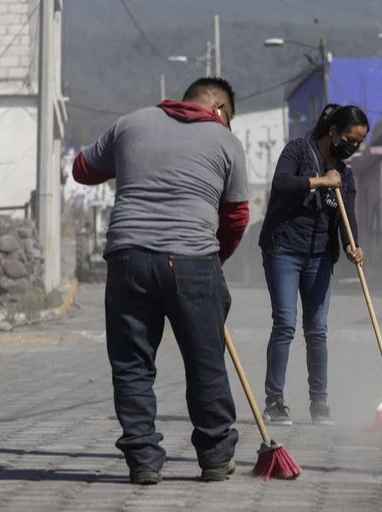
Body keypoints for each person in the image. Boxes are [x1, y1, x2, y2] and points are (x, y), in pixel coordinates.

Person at [72, 78, 251, 484]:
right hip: (192, 261)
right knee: (205, 362)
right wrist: (213, 258)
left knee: (132, 364)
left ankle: (143, 460)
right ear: (220, 110)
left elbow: (82, 170)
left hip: (128, 257)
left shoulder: (129, 124)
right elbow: (237, 214)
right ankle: (215, 457)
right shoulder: (225, 142)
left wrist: (131, 159)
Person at [258, 104, 368, 426]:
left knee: (317, 331)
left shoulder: (345, 175)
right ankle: (275, 402)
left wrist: (352, 246)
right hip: (284, 251)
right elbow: (281, 183)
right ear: (333, 132)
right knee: (285, 324)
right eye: (350, 139)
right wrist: (320, 181)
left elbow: (348, 216)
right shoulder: (298, 150)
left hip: (320, 257)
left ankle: (319, 403)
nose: (353, 147)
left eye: (359, 143)